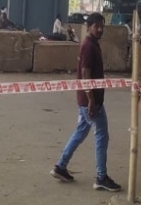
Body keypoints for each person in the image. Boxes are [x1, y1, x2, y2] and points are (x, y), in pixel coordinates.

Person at [50, 13, 122, 192]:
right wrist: (91, 100)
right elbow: (85, 73)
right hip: (90, 101)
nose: (100, 29)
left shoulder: (91, 44)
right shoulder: (88, 46)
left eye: (102, 26)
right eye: (96, 26)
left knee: (80, 132)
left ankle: (61, 166)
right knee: (101, 136)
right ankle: (101, 176)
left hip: (86, 99)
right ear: (89, 27)